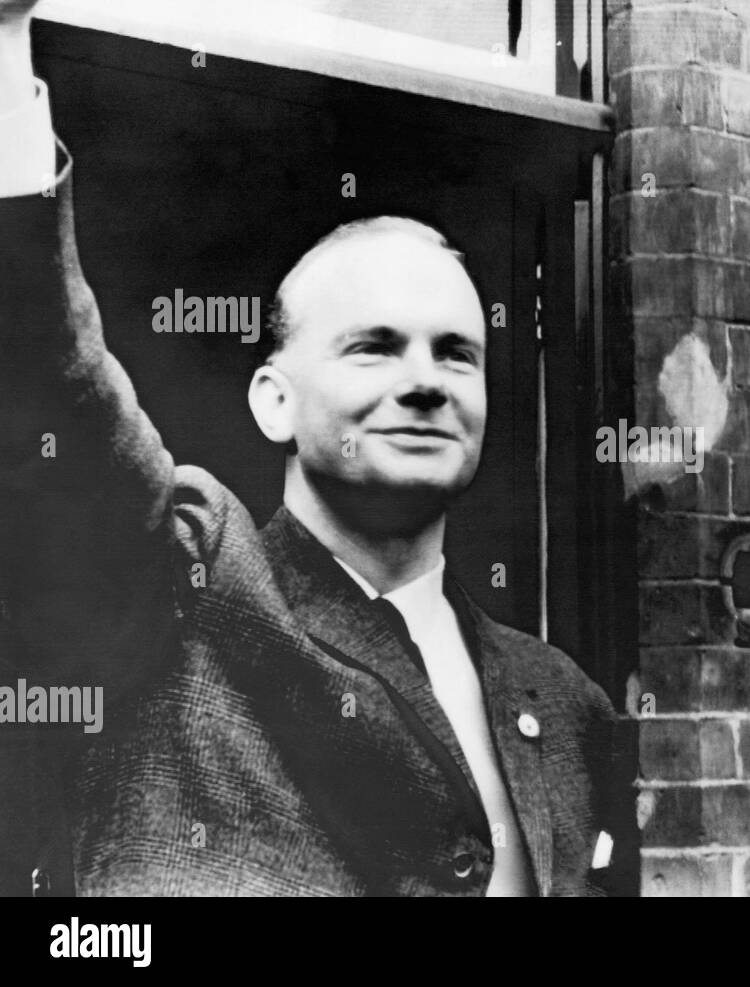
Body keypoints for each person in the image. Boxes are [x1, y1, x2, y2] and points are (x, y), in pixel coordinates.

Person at [0, 0, 634, 896]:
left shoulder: (566, 703)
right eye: (373, 347)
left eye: (457, 353)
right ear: (274, 400)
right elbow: (50, 384)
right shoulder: (178, 593)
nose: (426, 382)